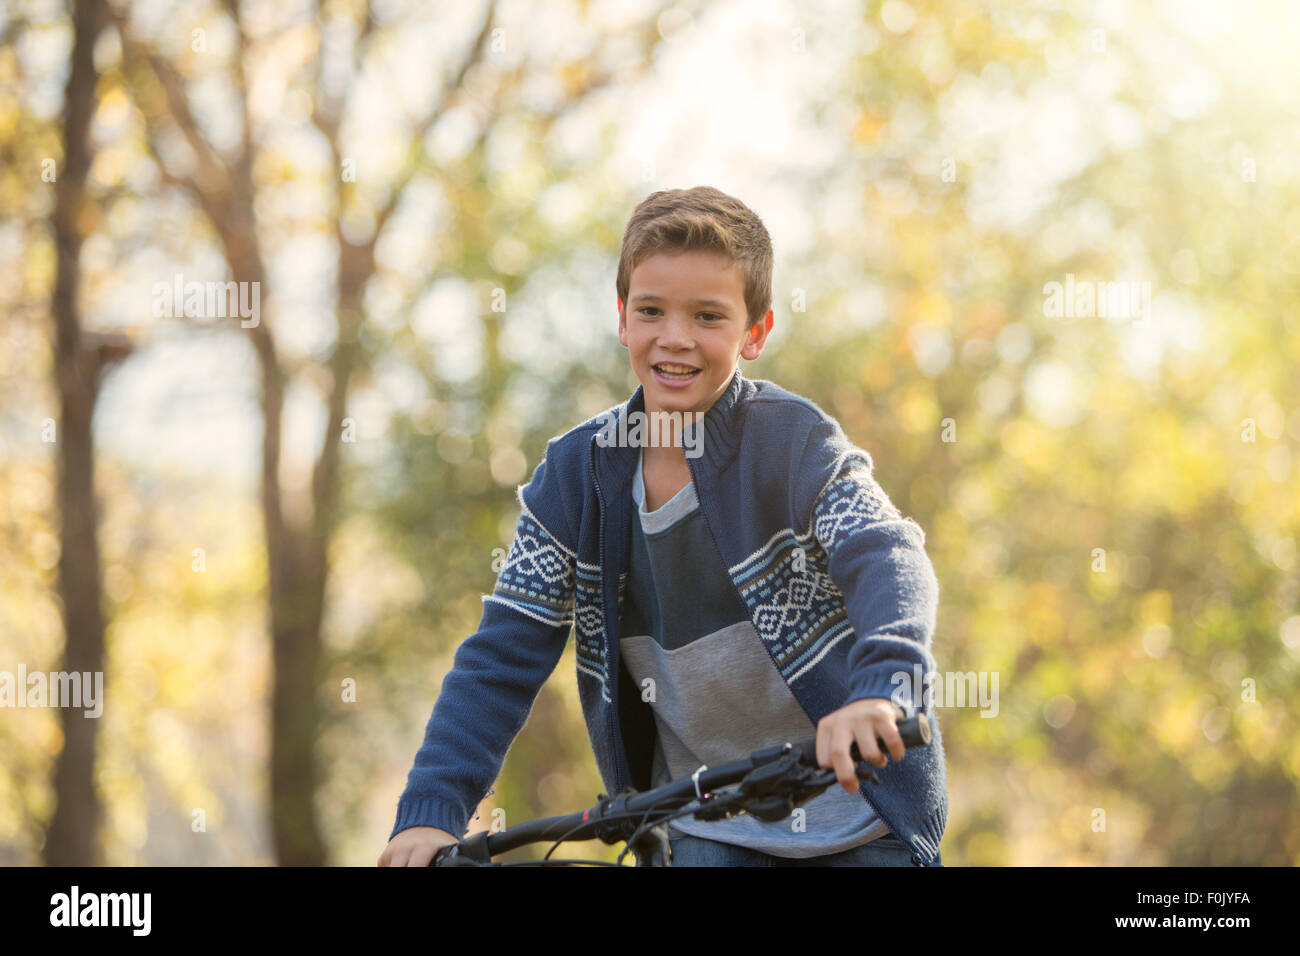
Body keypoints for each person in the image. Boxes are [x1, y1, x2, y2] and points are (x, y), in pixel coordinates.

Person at [378, 185, 946, 867]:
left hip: (855, 812)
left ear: (755, 333)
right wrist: (431, 811)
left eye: (708, 316)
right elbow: (500, 656)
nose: (674, 338)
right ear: (623, 319)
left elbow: (888, 555)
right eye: (651, 311)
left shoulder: (791, 443)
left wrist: (882, 689)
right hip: (703, 825)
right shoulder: (576, 476)